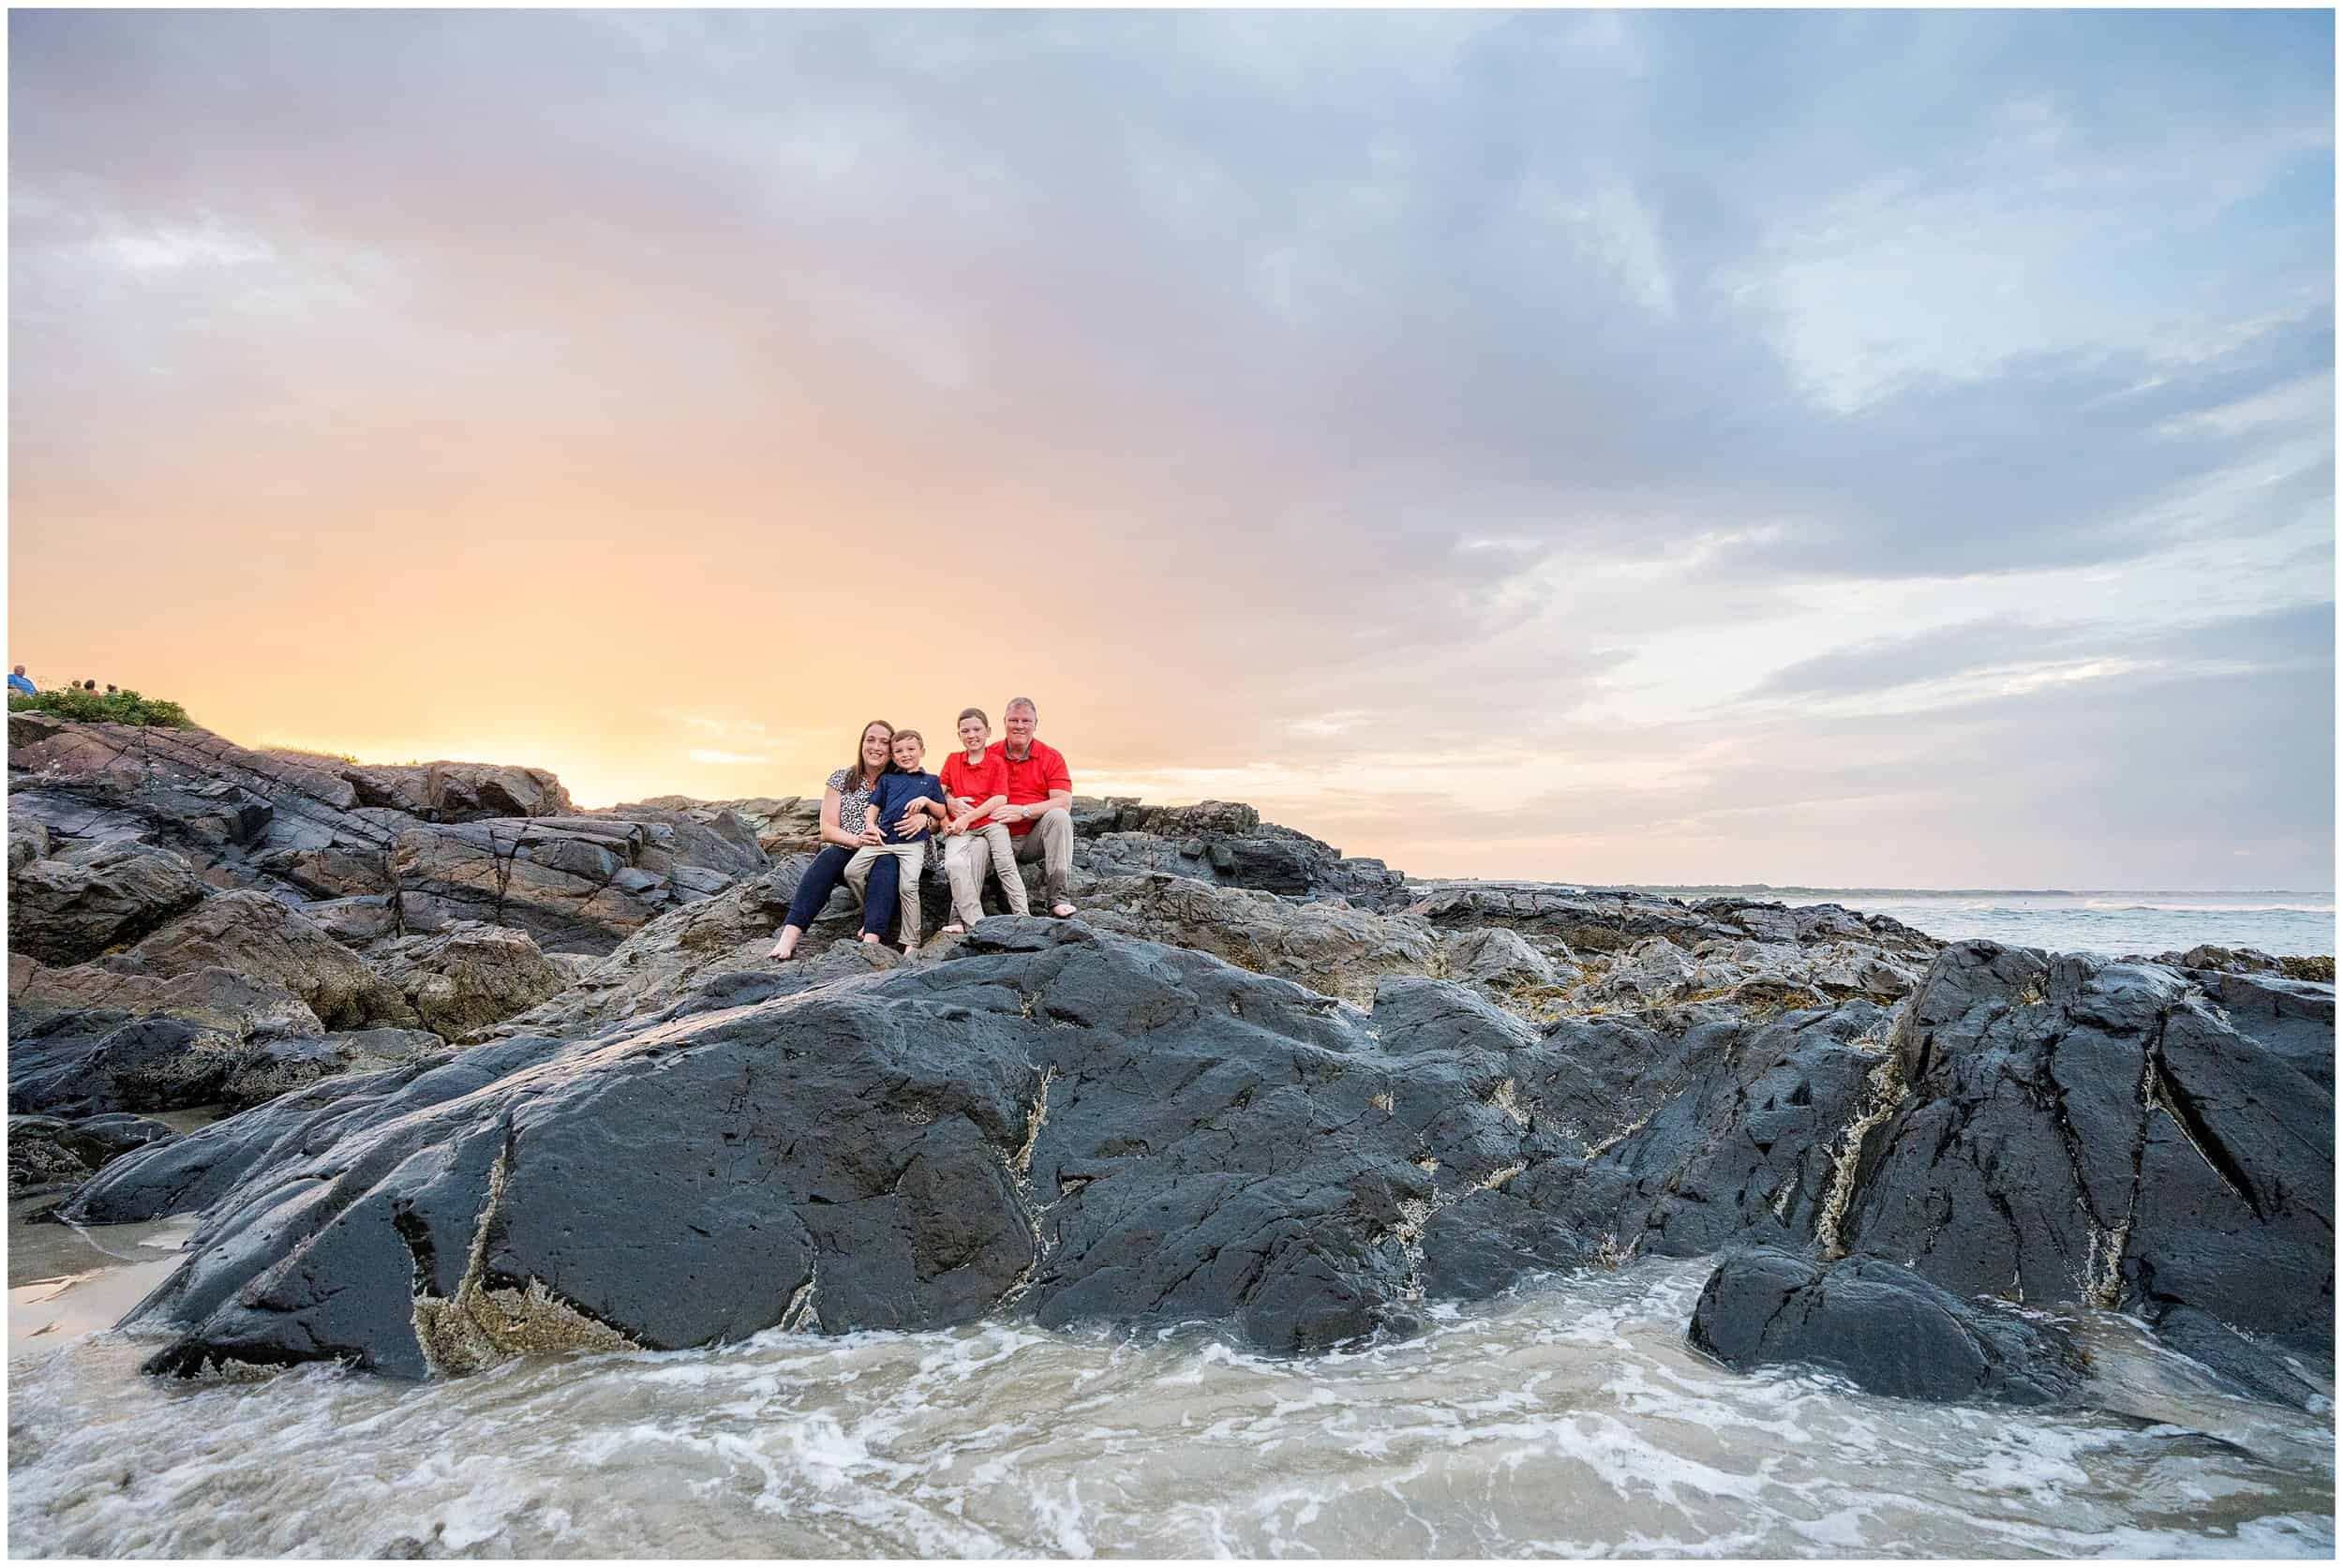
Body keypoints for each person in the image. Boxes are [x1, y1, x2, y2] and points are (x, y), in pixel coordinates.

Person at [766, 720, 898, 962]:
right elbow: (827, 829)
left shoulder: (902, 779)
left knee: (885, 862)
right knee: (828, 857)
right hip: (854, 848)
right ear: (862, 744)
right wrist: (859, 841)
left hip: (892, 853)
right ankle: (788, 938)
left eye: (884, 742)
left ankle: (871, 940)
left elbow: (930, 815)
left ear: (892, 748)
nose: (876, 747)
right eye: (870, 740)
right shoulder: (842, 778)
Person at [844, 729, 948, 951]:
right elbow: (874, 807)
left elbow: (941, 812)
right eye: (898, 751)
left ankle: (911, 940)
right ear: (893, 756)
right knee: (852, 872)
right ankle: (872, 914)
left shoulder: (930, 781)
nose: (905, 754)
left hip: (912, 844)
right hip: (884, 840)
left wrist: (925, 801)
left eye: (911, 749)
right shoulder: (888, 779)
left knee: (908, 886)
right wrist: (871, 825)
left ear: (922, 751)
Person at [936, 707, 1027, 933]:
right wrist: (949, 810)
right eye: (965, 731)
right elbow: (938, 792)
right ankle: (973, 922)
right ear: (959, 735)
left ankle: (1024, 917)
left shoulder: (996, 762)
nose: (971, 735)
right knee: (955, 865)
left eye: (977, 729)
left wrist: (968, 817)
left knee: (1005, 865)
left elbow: (1000, 798)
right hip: (960, 828)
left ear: (987, 731)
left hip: (991, 824)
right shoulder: (953, 760)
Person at [989, 696, 1078, 918]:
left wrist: (1023, 811)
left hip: (1031, 840)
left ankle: (1058, 897)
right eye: (1014, 720)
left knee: (1059, 817)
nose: (1019, 726)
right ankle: (962, 913)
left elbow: (1063, 802)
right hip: (994, 837)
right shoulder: (989, 754)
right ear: (1004, 722)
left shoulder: (1051, 757)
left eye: (1026, 721)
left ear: (1035, 724)